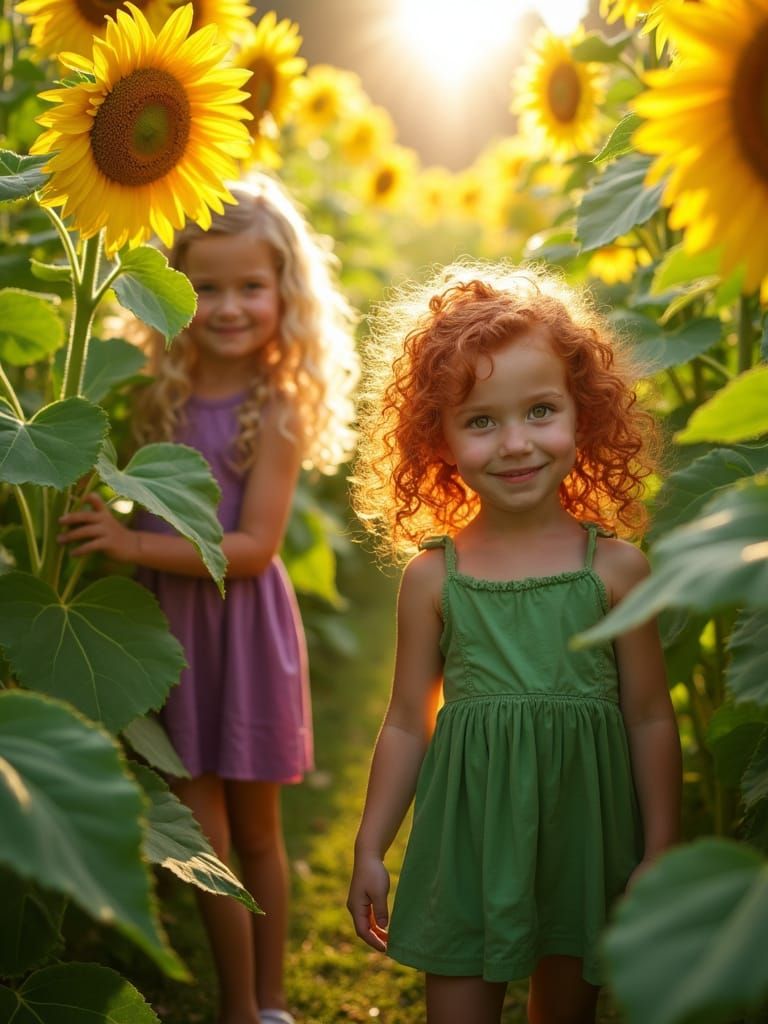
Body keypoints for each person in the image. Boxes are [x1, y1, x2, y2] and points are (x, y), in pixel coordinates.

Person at [58, 173, 360, 1024]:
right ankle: (240, 1006)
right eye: (208, 286)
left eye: (251, 287)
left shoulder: (280, 407)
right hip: (171, 634)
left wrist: (129, 545)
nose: (228, 307)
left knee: (258, 833)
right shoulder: (158, 393)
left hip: (245, 630)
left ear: (285, 293)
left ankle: (269, 1002)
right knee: (204, 841)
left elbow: (258, 548)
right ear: (173, 286)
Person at [346, 261, 681, 1024]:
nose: (516, 444)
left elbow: (651, 716)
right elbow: (405, 719)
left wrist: (661, 845)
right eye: (481, 420)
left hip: (583, 837)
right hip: (467, 837)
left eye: (539, 411)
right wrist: (371, 845)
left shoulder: (618, 571)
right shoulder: (436, 578)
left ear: (582, 412)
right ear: (439, 439)